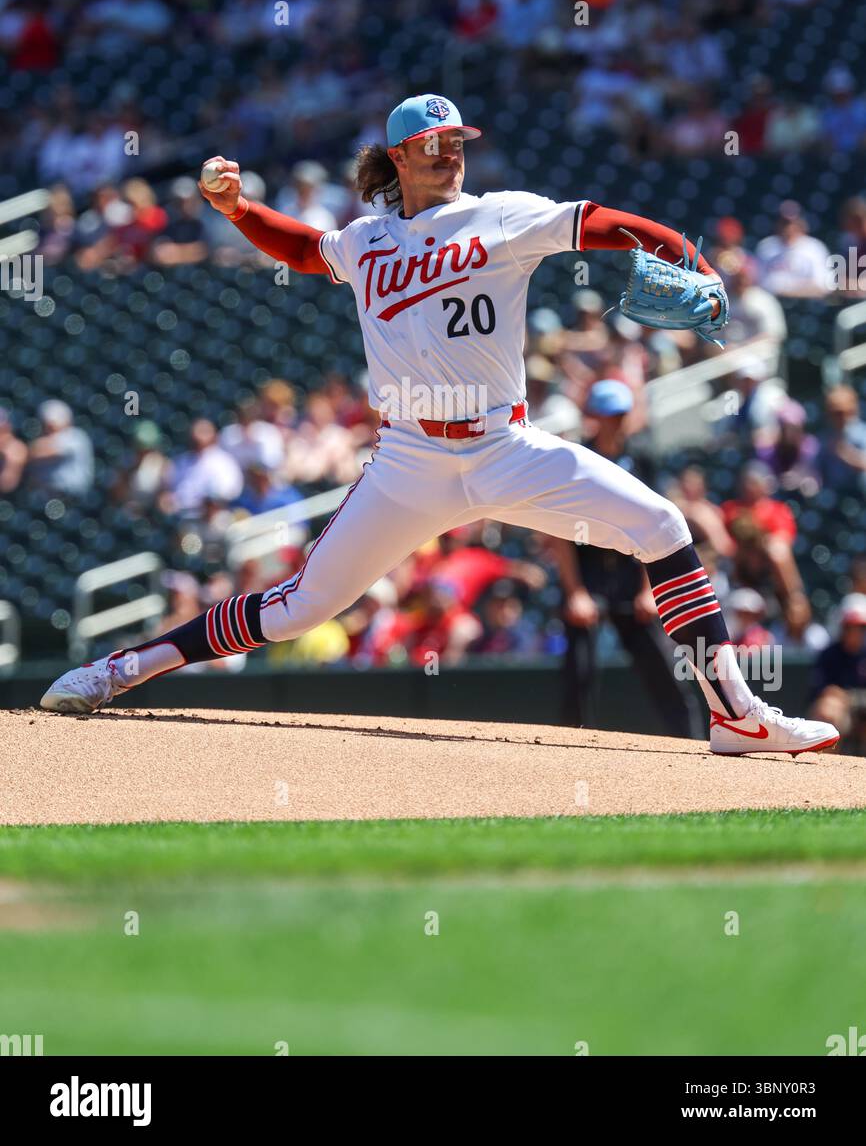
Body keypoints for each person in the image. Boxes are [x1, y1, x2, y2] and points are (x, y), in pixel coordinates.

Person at [41, 93, 839, 757]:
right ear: (396, 158)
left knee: (663, 525)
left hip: (504, 445)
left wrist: (681, 253)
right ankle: (121, 669)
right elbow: (304, 247)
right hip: (408, 462)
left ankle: (736, 715)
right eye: (432, 142)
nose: (450, 151)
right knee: (297, 611)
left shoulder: (502, 217)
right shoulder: (367, 240)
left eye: (456, 139)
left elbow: (596, 223)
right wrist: (239, 207)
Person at [550, 379, 699, 736]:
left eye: (619, 415)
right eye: (607, 415)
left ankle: (692, 744)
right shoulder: (575, 457)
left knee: (662, 669)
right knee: (579, 673)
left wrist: (649, 590)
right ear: (594, 417)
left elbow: (654, 523)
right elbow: (557, 530)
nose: (614, 422)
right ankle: (573, 745)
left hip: (631, 571)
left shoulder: (641, 457)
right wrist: (575, 592)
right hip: (587, 570)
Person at [809, 595, 866, 749]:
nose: (855, 632)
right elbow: (820, 690)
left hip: (860, 706)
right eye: (850, 627)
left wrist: (848, 696)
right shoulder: (829, 654)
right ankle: (825, 768)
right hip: (840, 709)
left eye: (860, 628)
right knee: (827, 710)